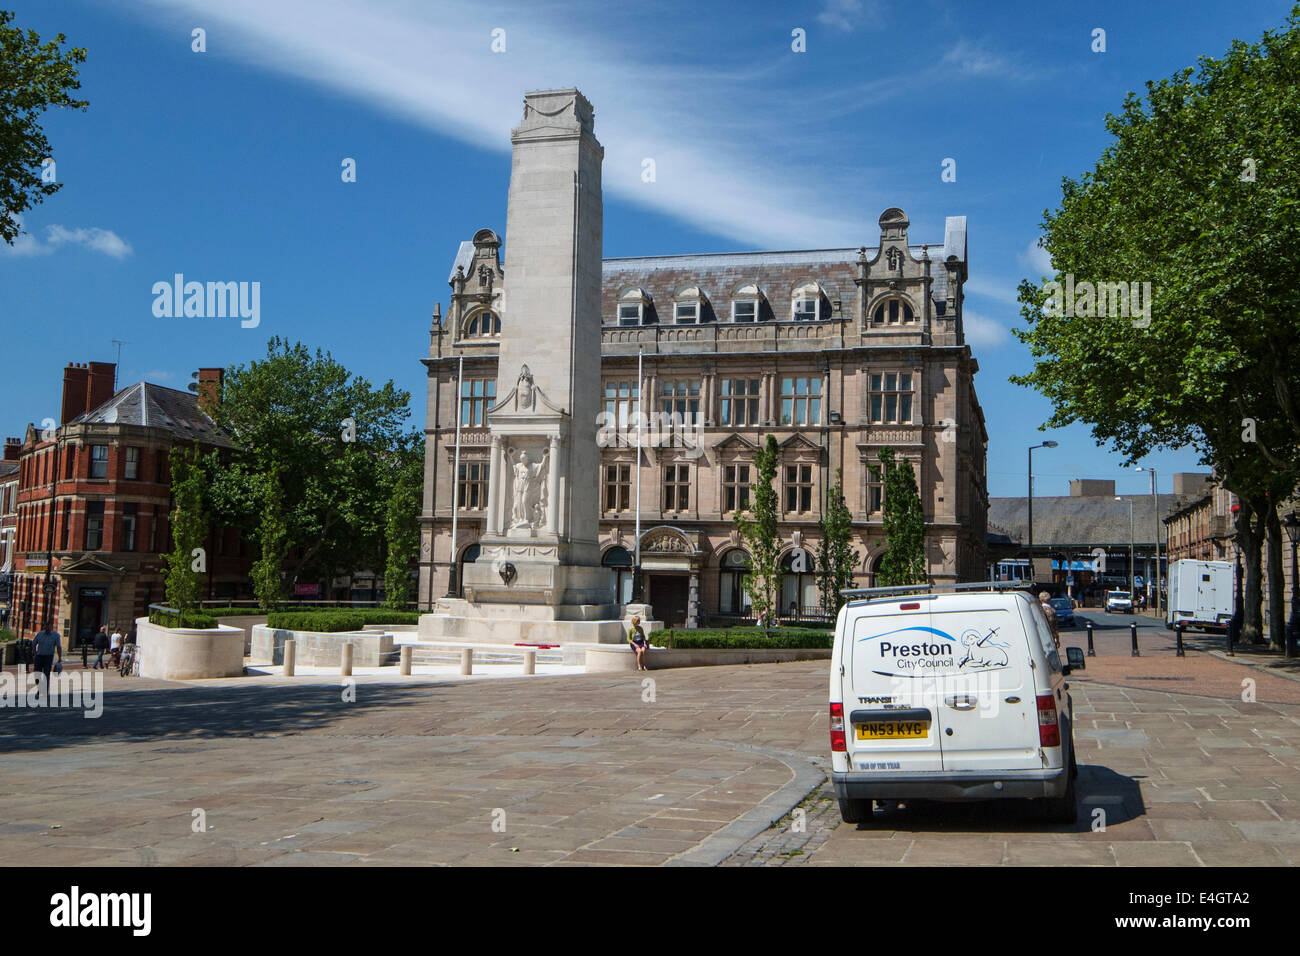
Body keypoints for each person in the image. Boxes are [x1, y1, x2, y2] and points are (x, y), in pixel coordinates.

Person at [31, 621, 62, 699]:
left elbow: (58, 647)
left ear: (52, 627)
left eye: (49, 627)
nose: (48, 628)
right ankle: (39, 689)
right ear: (44, 627)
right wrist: (34, 654)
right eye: (46, 626)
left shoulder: (56, 635)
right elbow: (34, 644)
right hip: (39, 657)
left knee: (46, 675)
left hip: (48, 657)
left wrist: (59, 657)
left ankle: (45, 692)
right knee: (37, 675)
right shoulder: (39, 634)